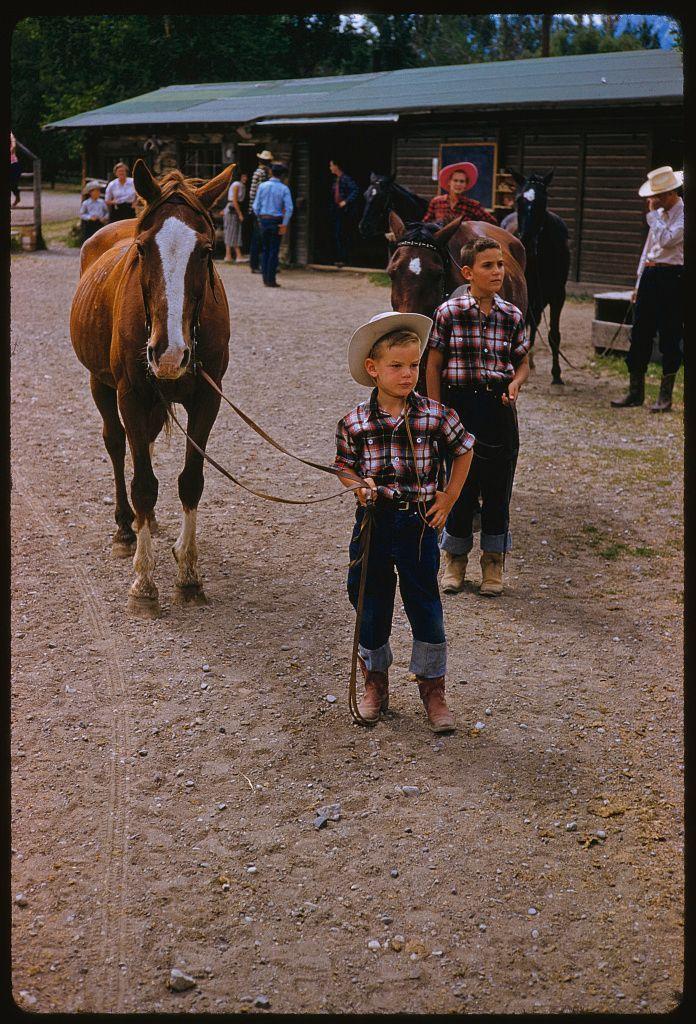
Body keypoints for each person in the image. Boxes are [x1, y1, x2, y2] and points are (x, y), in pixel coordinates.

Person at [333, 311, 475, 732]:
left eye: (414, 365)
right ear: (373, 368)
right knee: (371, 605)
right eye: (396, 366)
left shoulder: (435, 415)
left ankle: (433, 690)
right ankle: (374, 683)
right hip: (374, 525)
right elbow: (344, 466)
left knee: (425, 605)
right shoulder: (354, 422)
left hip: (418, 526)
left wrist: (449, 497)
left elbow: (464, 449)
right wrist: (358, 485)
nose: (408, 374)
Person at [426, 237, 530, 597]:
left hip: (498, 406)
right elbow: (434, 364)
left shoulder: (512, 315)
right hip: (459, 406)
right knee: (461, 486)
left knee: (498, 487)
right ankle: (455, 559)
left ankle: (493, 561)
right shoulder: (448, 313)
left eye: (500, 265)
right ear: (468, 273)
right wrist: (437, 411)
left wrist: (516, 382)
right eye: (488, 266)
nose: (498, 271)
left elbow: (522, 362)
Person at [611, 165, 684, 413]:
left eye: (658, 196)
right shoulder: (660, 214)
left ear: (670, 193)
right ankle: (635, 392)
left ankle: (665, 396)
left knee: (670, 333)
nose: (654, 201)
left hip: (673, 277)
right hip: (651, 276)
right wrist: (638, 282)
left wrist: (652, 216)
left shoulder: (683, 215)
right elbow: (648, 250)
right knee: (640, 332)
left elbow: (667, 240)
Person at [252, 162, 293, 288]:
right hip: (277, 221)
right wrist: (284, 224)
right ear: (282, 175)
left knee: (265, 249)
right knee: (274, 250)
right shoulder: (284, 189)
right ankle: (271, 279)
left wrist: (260, 219)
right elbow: (289, 208)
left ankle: (265, 278)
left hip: (264, 220)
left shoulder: (262, 186)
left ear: (271, 173)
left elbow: (255, 206)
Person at [424, 161, 497, 227]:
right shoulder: (437, 202)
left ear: (466, 185)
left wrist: (474, 228)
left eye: (462, 181)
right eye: (455, 180)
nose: (458, 184)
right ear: (449, 182)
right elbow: (425, 223)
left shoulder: (473, 205)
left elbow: (492, 222)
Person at [329, 158, 359, 267]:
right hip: (337, 211)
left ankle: (345, 259)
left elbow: (355, 190)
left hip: (345, 212)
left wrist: (346, 201)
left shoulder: (346, 179)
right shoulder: (336, 180)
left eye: (331, 165)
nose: (330, 168)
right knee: (337, 235)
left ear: (336, 166)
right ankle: (340, 258)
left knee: (343, 235)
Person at [247, 149, 274, 274]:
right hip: (259, 210)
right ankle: (256, 265)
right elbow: (262, 193)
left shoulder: (257, 171)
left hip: (254, 208)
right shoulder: (262, 173)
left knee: (257, 237)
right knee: (259, 238)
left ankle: (255, 264)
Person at [223, 170, 249, 263]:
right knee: (232, 230)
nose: (245, 178)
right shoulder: (237, 185)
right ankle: (233, 255)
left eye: (246, 176)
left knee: (233, 231)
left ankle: (231, 255)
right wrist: (240, 214)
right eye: (243, 176)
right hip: (232, 209)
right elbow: (234, 200)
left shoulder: (242, 185)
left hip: (234, 208)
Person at [10, 131, 21, 207]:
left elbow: (14, 145)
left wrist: (12, 149)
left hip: (13, 164)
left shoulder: (10, 134)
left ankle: (17, 196)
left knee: (12, 183)